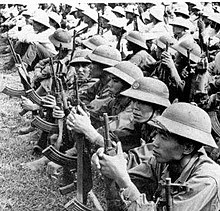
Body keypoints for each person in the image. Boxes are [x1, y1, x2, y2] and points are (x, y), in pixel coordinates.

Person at [92, 102, 220, 211]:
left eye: (163, 137)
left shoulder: (206, 180)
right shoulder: (165, 161)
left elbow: (125, 179)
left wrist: (123, 180)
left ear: (187, 148)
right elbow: (130, 172)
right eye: (157, 134)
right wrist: (110, 158)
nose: (155, 142)